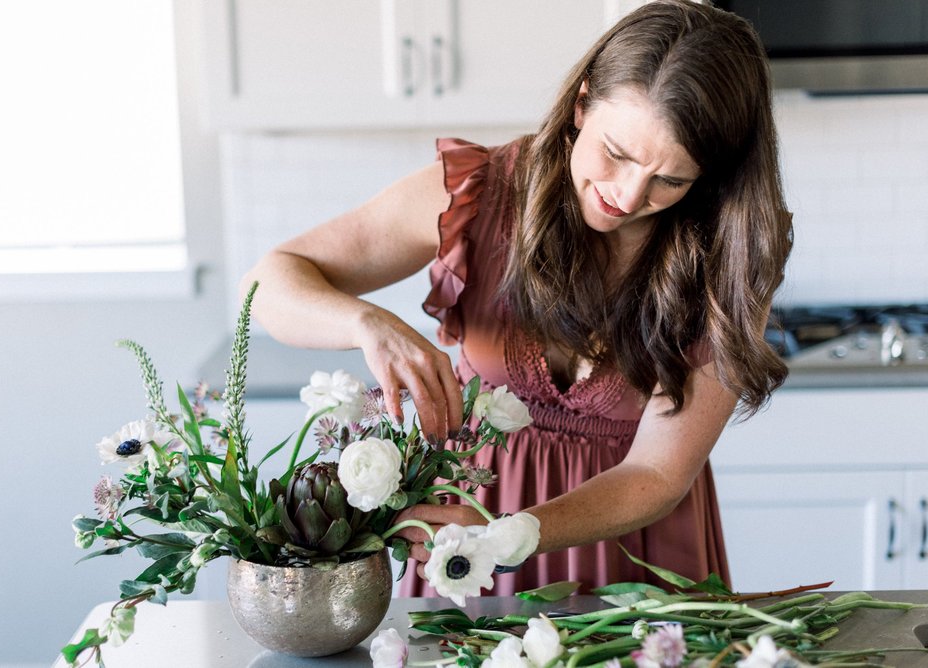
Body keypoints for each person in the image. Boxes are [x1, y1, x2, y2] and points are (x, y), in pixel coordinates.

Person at [242, 0, 793, 595]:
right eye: (616, 154)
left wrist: (511, 534)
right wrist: (367, 323)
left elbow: (658, 472)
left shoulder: (732, 253)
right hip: (463, 546)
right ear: (582, 103)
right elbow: (267, 284)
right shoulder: (478, 194)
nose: (630, 196)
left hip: (634, 555)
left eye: (671, 179)